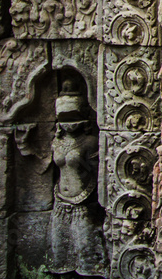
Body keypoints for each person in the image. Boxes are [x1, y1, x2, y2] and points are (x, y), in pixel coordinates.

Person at [49, 77, 107, 277]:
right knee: (60, 251)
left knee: (86, 252)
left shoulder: (90, 141)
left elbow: (98, 170)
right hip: (60, 199)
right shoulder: (57, 142)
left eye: (72, 116)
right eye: (63, 117)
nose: (68, 123)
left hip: (83, 198)